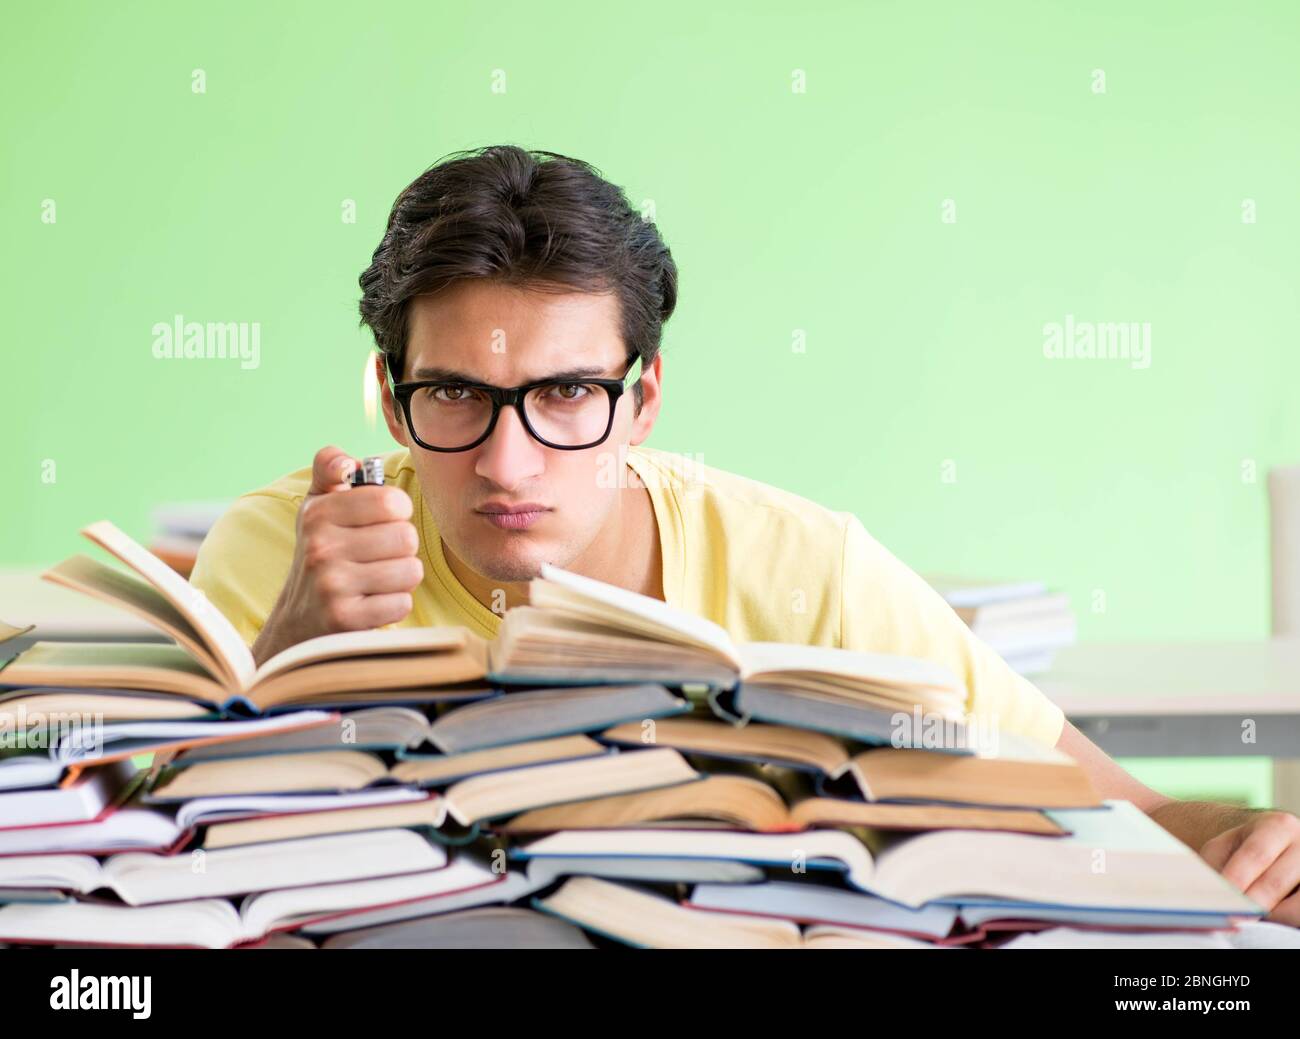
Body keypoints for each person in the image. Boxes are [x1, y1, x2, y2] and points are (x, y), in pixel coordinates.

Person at [190, 145, 1300, 924]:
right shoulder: (292, 547)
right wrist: (286, 656)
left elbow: (1114, 801)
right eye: (455, 396)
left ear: (643, 399)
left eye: (568, 393)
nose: (506, 461)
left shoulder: (798, 563)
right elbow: (134, 858)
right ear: (391, 399)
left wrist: (1240, 841)